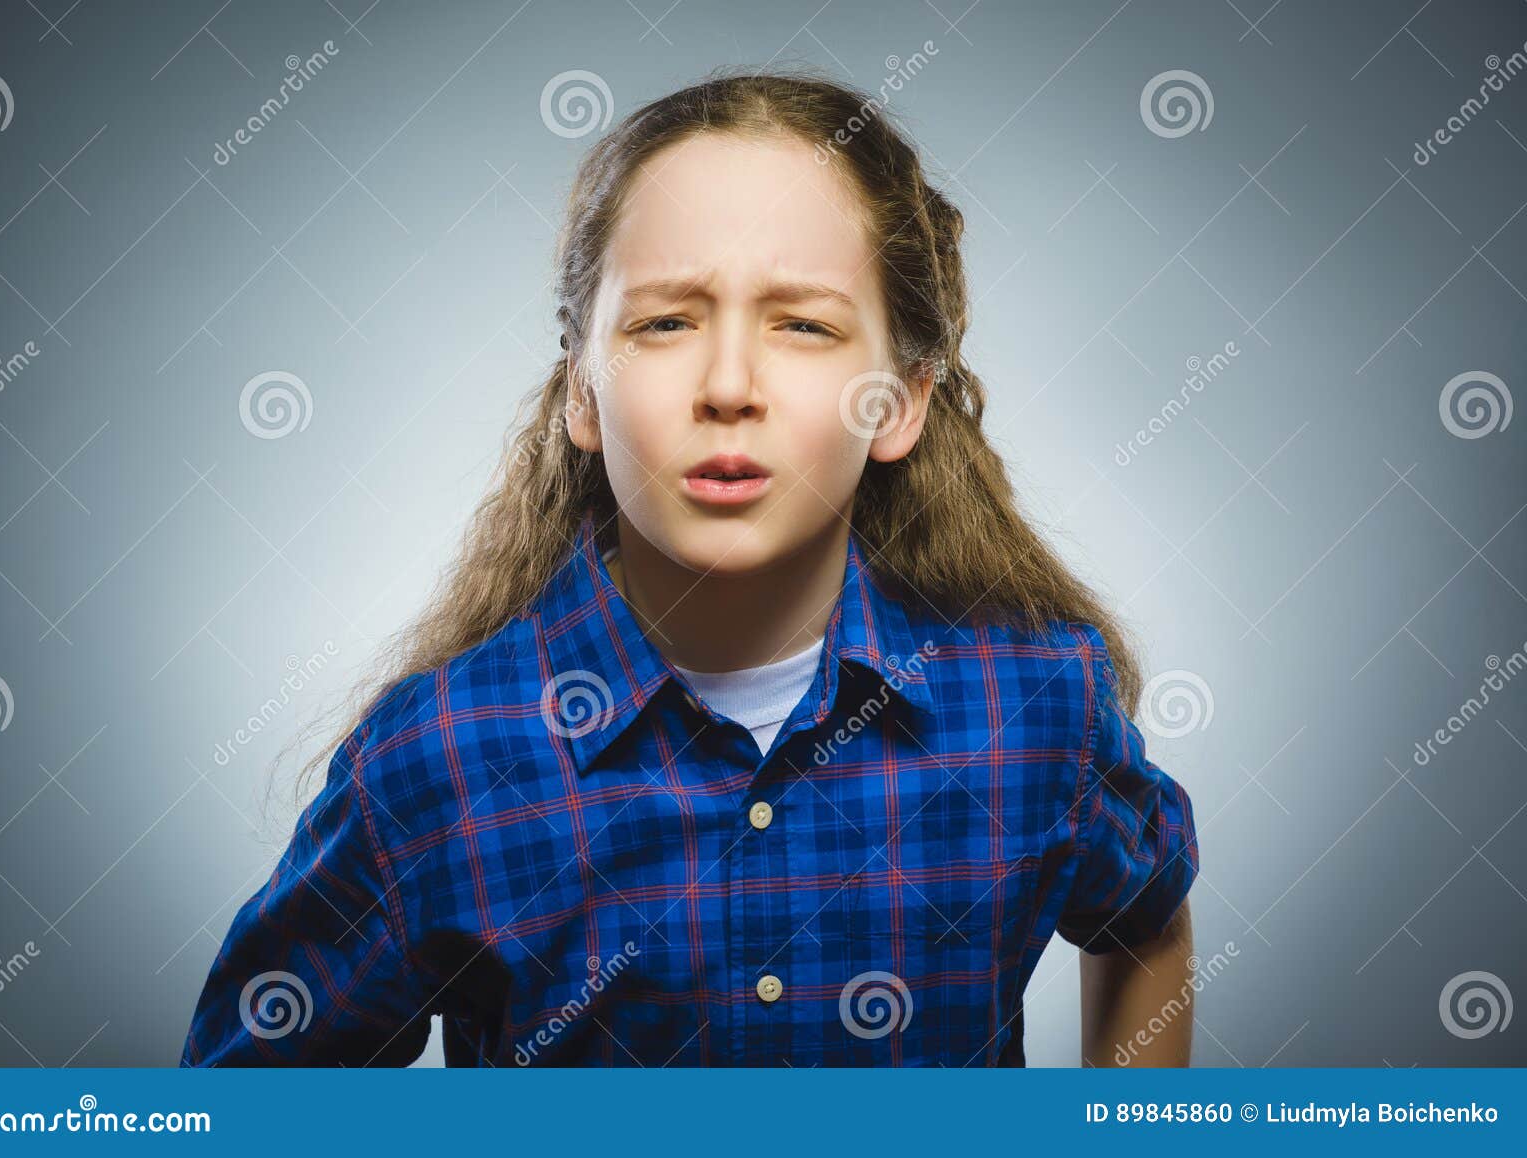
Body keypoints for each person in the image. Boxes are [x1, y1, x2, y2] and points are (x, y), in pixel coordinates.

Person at [180, 69, 1199, 1068]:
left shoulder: (1034, 704)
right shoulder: (434, 763)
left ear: (901, 401)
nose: (726, 385)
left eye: (802, 324)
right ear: (583, 392)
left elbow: (1144, 922)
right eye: (665, 323)